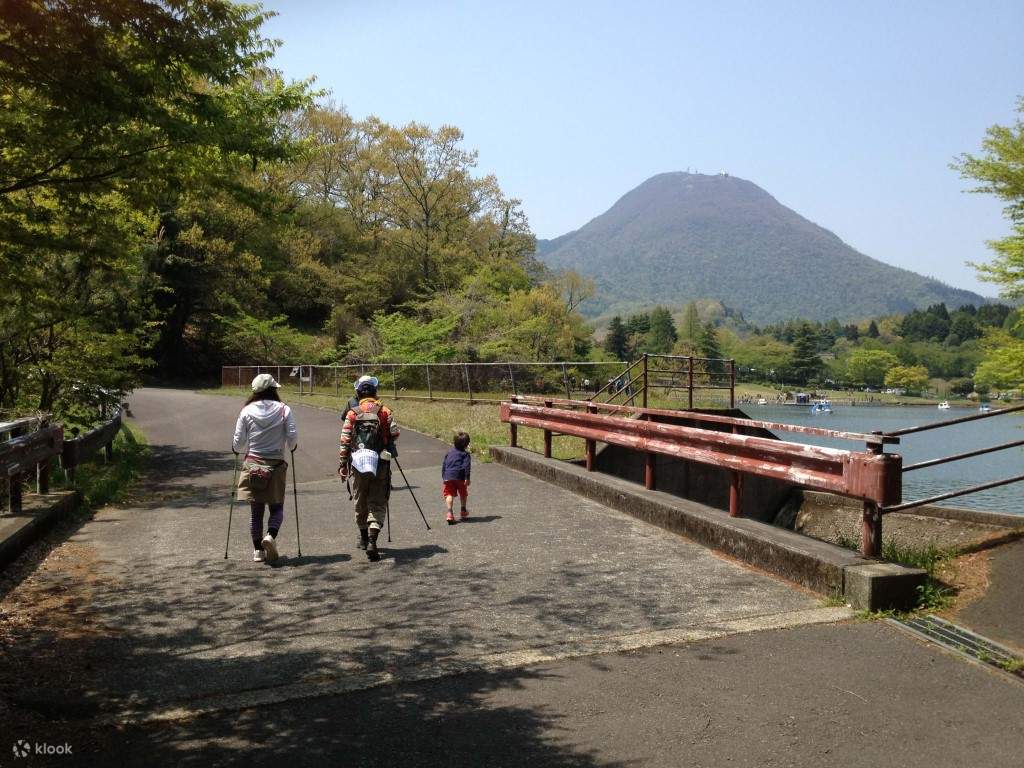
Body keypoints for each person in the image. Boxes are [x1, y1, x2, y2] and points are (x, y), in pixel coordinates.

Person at [233, 374, 298, 563]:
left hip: (253, 464)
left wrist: (235, 449)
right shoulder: (284, 409)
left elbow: (238, 441)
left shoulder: (246, 411)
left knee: (256, 511)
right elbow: (292, 436)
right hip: (275, 464)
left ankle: (258, 551)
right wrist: (292, 447)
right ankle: (270, 536)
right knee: (277, 507)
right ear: (273, 389)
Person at [338, 375, 399, 561]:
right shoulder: (385, 411)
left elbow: (345, 440)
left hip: (358, 463)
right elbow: (395, 433)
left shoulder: (353, 413)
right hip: (380, 462)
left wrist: (343, 463)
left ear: (358, 394)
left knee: (360, 499)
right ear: (375, 392)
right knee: (378, 501)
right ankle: (373, 540)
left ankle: (364, 538)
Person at [441, 431, 472, 524]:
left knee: (449, 494)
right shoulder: (465, 454)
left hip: (448, 476)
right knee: (463, 494)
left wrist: (444, 476)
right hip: (460, 477)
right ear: (466, 444)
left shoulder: (449, 453)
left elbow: (444, 465)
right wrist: (467, 478)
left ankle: (449, 513)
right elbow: (467, 466)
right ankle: (463, 510)